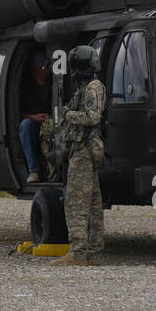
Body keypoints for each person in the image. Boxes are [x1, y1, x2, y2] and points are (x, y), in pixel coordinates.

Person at [53, 47, 106, 266]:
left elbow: (92, 117)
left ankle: (78, 251)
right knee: (93, 203)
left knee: (76, 201)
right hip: (86, 148)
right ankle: (93, 252)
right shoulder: (88, 87)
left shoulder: (92, 88)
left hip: (84, 149)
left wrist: (67, 115)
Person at [18, 52, 52, 183]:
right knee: (25, 126)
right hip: (33, 121)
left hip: (51, 121)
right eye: (45, 66)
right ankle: (34, 171)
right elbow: (17, 112)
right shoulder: (25, 86)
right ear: (37, 68)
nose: (48, 69)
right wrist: (34, 117)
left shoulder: (54, 82)